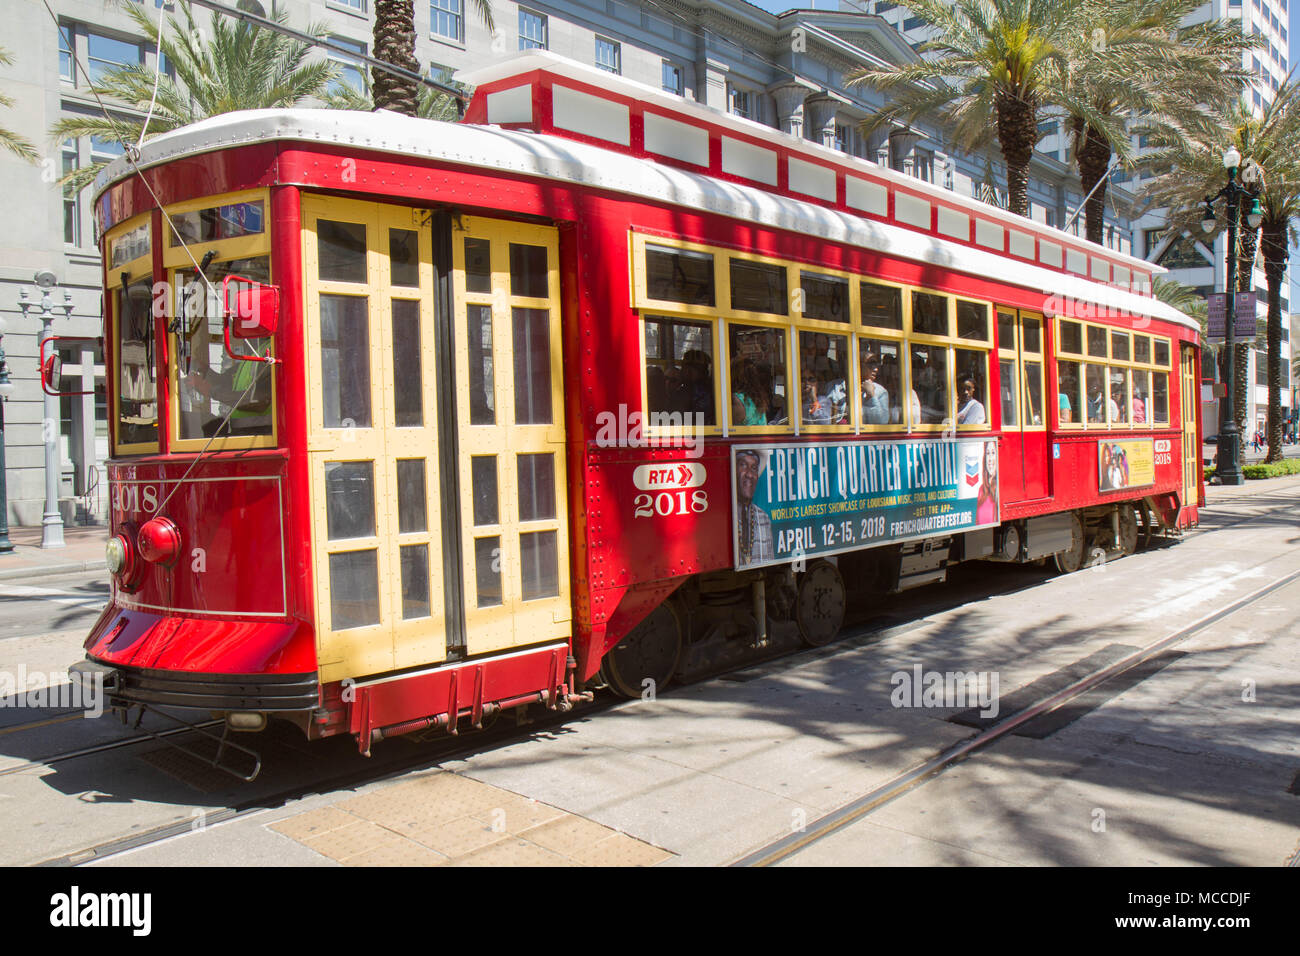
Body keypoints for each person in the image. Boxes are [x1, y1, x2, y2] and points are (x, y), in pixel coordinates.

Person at [735, 449, 774, 567]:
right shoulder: (723, 518)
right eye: (743, 465)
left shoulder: (764, 518)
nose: (749, 474)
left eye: (754, 468)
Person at [860, 353, 891, 425]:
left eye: (876, 365)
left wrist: (871, 395)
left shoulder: (880, 391)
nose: (876, 369)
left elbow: (881, 423)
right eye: (870, 364)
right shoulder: (836, 388)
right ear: (858, 365)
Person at [976, 440, 998, 525]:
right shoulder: (981, 490)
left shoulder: (998, 489)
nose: (990, 459)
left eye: (993, 453)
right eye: (988, 453)